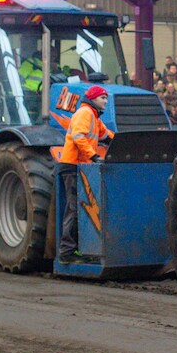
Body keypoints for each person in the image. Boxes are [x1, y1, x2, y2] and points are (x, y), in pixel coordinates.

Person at [58, 85, 114, 263]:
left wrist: (122, 141)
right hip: (73, 165)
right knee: (74, 208)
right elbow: (78, 137)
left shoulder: (94, 116)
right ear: (93, 99)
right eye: (102, 98)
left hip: (80, 166)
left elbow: (106, 135)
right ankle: (67, 252)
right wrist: (94, 156)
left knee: (79, 208)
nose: (106, 101)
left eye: (106, 98)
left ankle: (75, 249)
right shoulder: (85, 113)